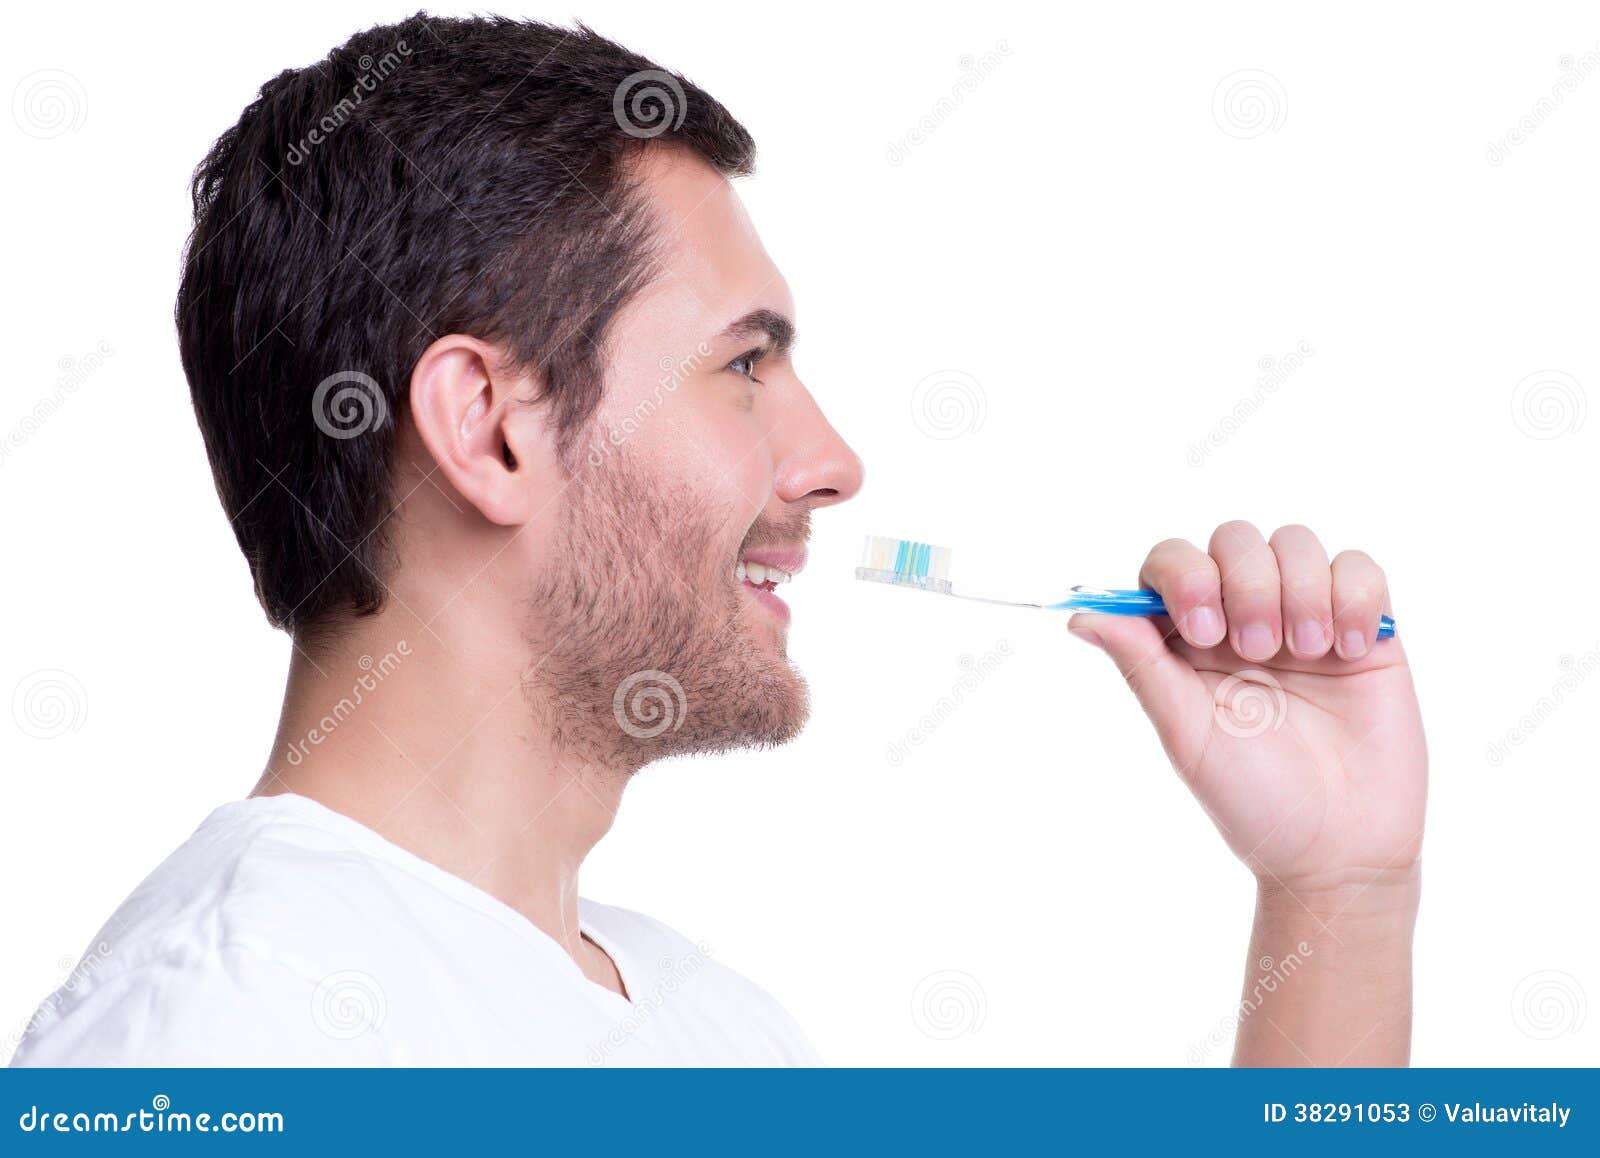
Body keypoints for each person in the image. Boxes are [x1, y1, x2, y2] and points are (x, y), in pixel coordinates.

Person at [10, 12, 1424, 1066]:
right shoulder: (218, 1035)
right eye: (745, 364)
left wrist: (1340, 892)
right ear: (488, 425)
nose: (832, 460)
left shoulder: (707, 1026)